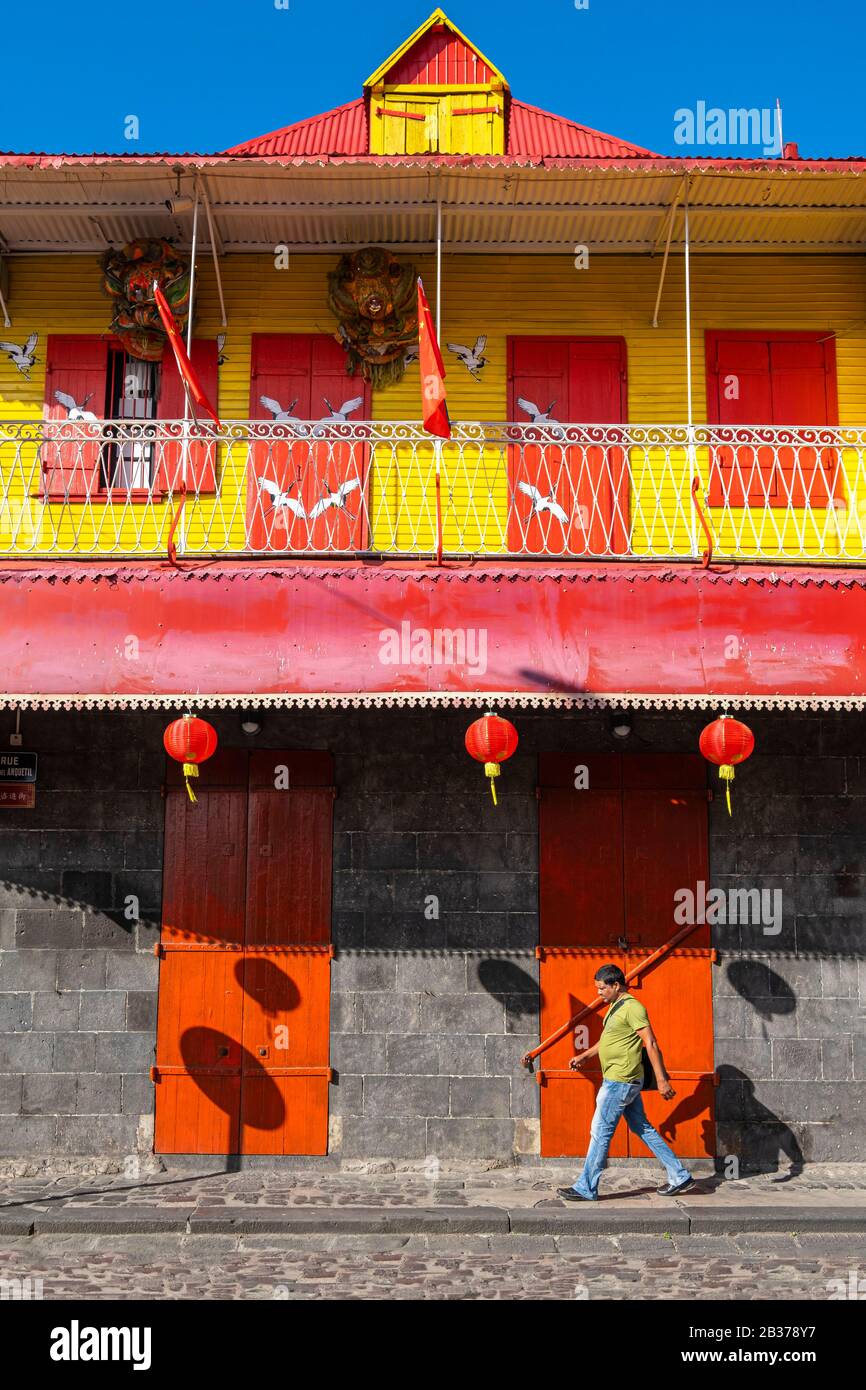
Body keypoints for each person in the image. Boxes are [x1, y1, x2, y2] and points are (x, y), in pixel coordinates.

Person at [557, 964, 694, 1202]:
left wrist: (662, 1080)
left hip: (620, 1082)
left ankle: (586, 1187)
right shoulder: (615, 1007)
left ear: (616, 986)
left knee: (600, 1133)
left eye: (602, 988)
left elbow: (650, 1043)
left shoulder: (632, 1007)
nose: (598, 992)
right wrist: (584, 1056)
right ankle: (679, 1175)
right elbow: (609, 1041)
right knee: (642, 1127)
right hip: (622, 1081)